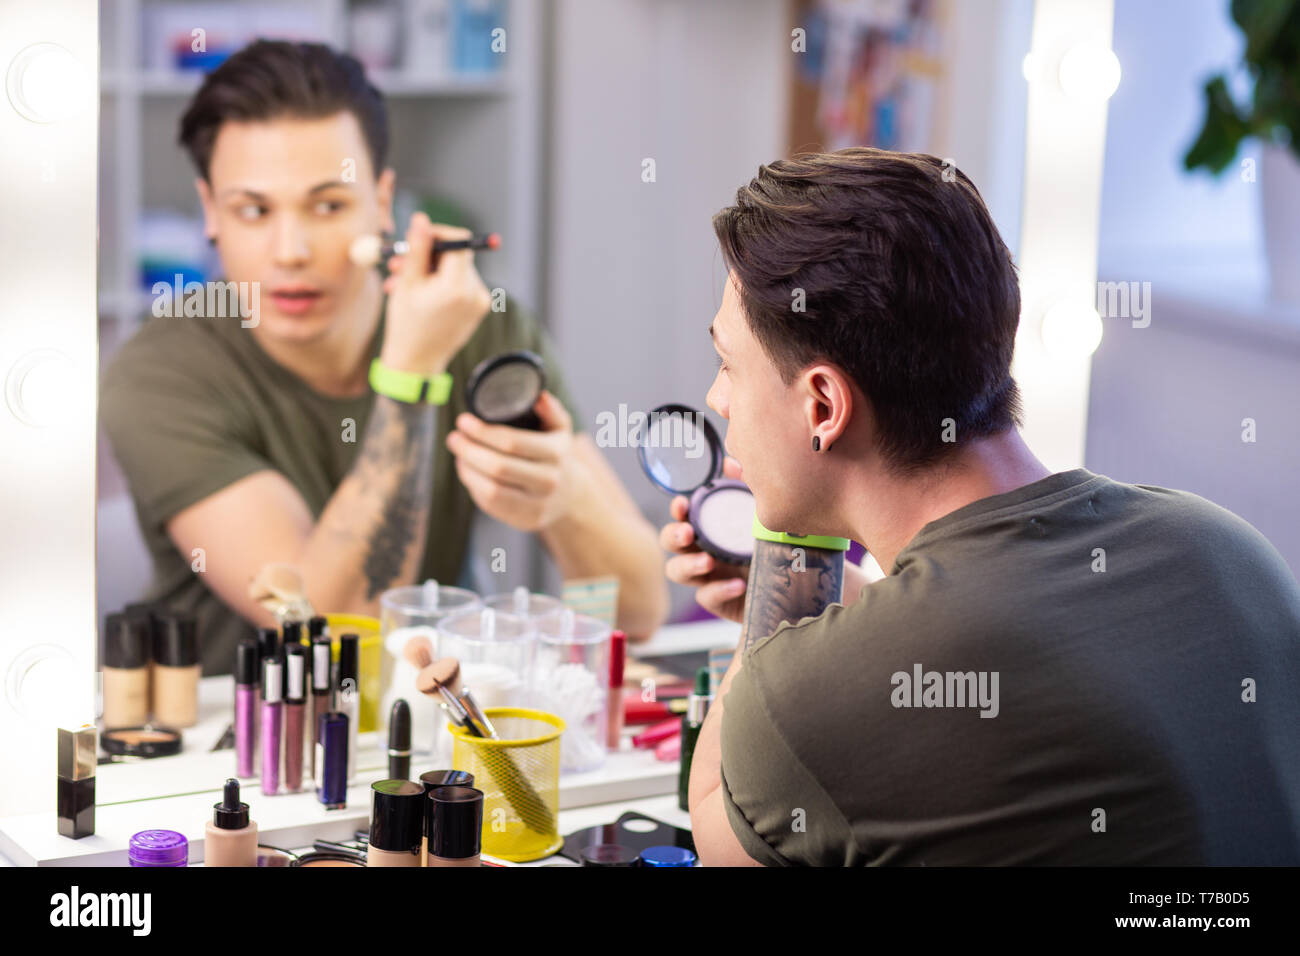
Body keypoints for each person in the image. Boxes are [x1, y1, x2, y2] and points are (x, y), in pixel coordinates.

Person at [662, 148, 1300, 865]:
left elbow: (721, 825)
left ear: (822, 405)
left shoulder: (808, 701)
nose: (718, 402)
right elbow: (999, 623)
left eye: (727, 366)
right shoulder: (1227, 551)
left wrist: (789, 563)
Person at [101, 40, 667, 674]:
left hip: (432, 723)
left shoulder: (480, 325)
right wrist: (409, 374)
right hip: (245, 736)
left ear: (381, 201)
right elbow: (336, 627)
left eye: (328, 205)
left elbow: (635, 614)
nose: (291, 250)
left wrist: (566, 501)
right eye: (254, 210)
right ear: (211, 211)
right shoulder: (158, 373)